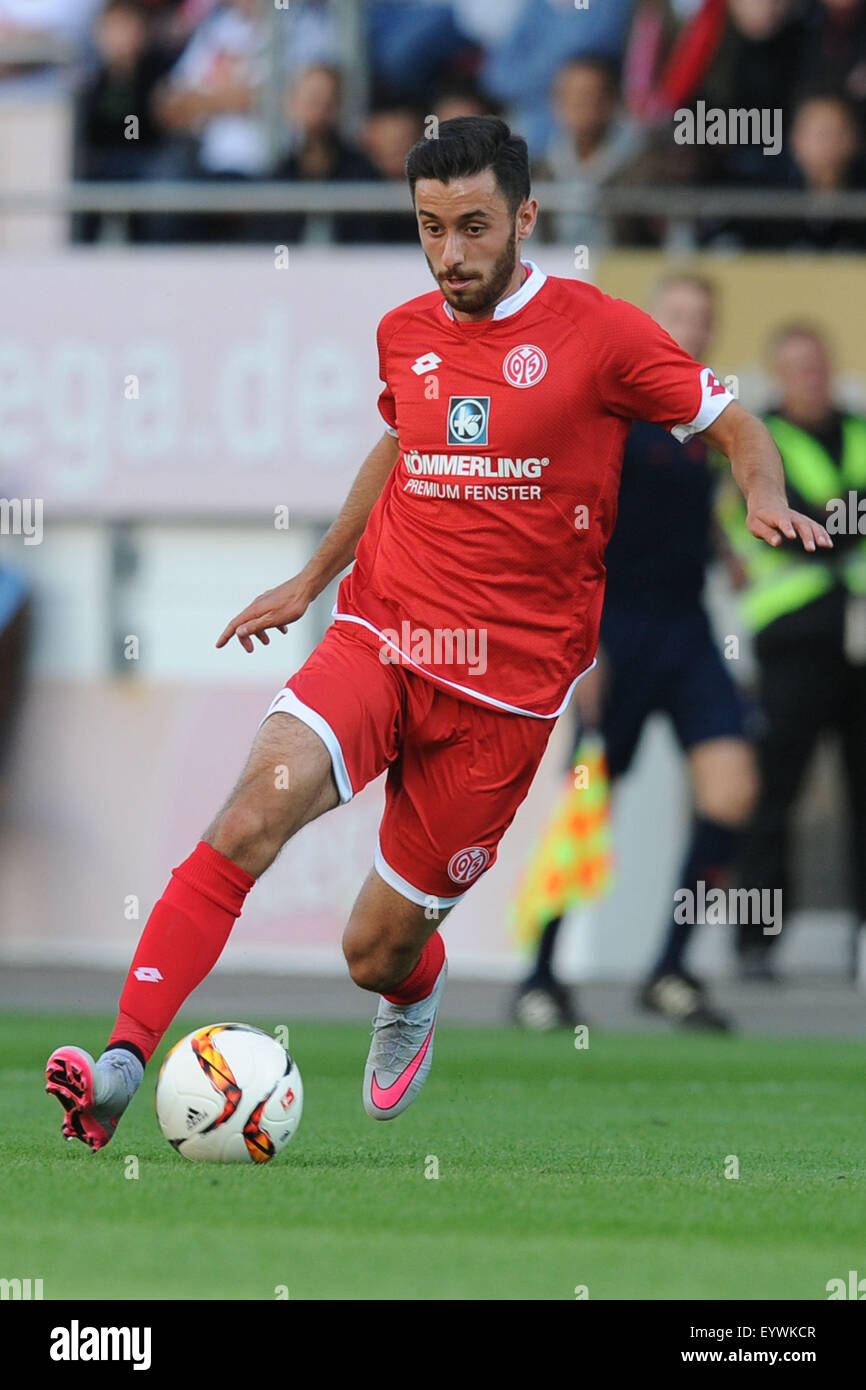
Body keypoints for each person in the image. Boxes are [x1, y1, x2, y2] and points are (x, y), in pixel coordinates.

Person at [45, 116, 830, 1150]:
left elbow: (732, 421)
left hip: (502, 698)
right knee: (246, 819)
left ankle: (412, 985)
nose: (449, 253)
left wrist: (761, 494)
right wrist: (312, 577)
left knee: (371, 948)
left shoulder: (597, 336)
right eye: (428, 227)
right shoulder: (406, 331)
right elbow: (400, 441)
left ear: (523, 219)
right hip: (380, 635)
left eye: (471, 227)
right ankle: (119, 1060)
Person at [512, 274, 758, 1032]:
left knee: (733, 789)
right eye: (678, 317)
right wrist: (579, 647)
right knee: (589, 804)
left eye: (704, 320)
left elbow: (673, 517)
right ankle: (541, 977)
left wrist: (723, 547)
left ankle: (671, 969)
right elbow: (570, 533)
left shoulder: (702, 426)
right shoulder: (612, 410)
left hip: (686, 632)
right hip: (612, 633)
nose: (692, 331)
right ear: (654, 324)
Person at [723, 325, 866, 980]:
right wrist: (838, 519)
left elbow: (823, 520)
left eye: (818, 364)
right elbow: (788, 526)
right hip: (793, 641)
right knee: (774, 793)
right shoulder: (760, 441)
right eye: (796, 367)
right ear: (778, 375)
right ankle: (756, 944)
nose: (810, 376)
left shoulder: (858, 429)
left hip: (860, 644)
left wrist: (826, 517)